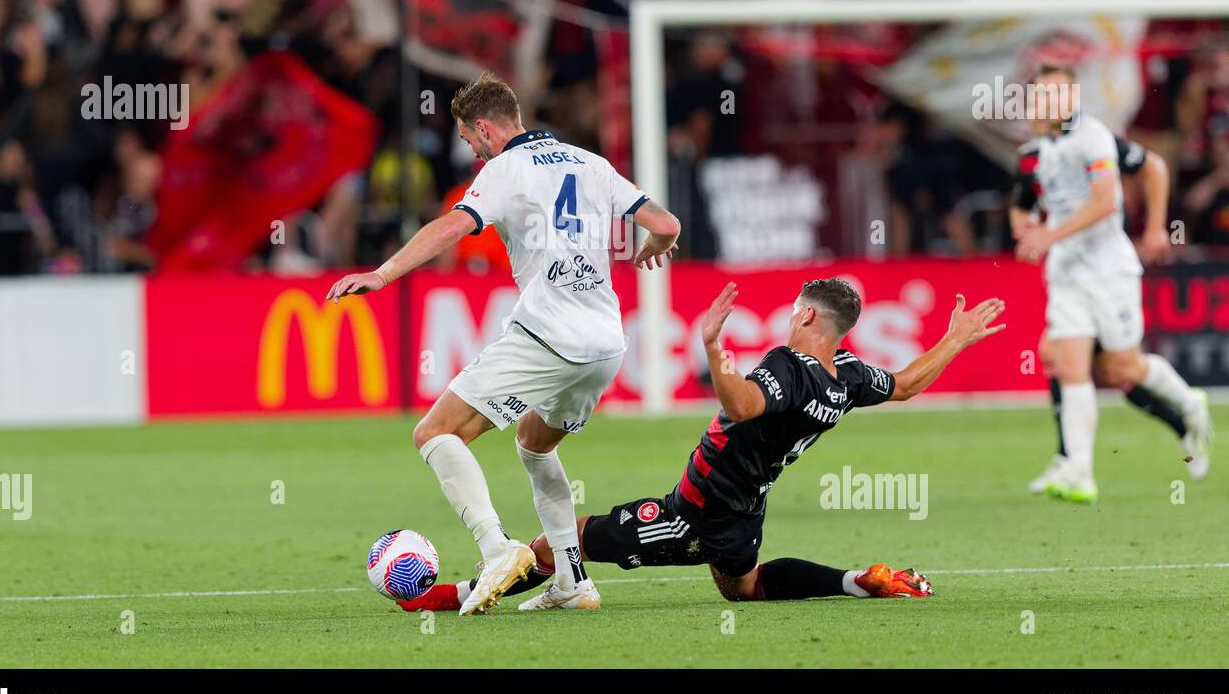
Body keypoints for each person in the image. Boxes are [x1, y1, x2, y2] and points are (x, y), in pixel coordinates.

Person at [401, 277, 1005, 611]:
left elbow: (742, 405)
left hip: (698, 507)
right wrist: (955, 342)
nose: (791, 315)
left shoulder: (789, 368)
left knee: (569, 539)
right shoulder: (845, 377)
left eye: (796, 309)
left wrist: (714, 351)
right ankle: (857, 581)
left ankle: (450, 595)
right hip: (747, 508)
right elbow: (902, 385)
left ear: (807, 319)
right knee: (741, 586)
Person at [326, 72, 680, 614]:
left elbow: (452, 225)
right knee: (535, 445)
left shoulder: (503, 170)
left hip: (547, 334)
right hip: (605, 343)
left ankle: (497, 548)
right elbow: (666, 222)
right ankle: (573, 582)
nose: (470, 151)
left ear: (486, 130)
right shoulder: (591, 162)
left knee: (436, 431)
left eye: (469, 140)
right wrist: (654, 244)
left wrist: (383, 273)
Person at [1013, 64, 1213, 503]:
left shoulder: (1094, 138)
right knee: (1067, 362)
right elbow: (1022, 201)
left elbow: (1107, 201)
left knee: (1124, 369)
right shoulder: (1036, 151)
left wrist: (1157, 227)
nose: (1044, 103)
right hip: (1067, 273)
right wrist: (1026, 229)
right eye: (1039, 95)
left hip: (1108, 271)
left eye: (1054, 94)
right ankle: (1078, 471)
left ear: (1071, 97)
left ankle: (1188, 405)